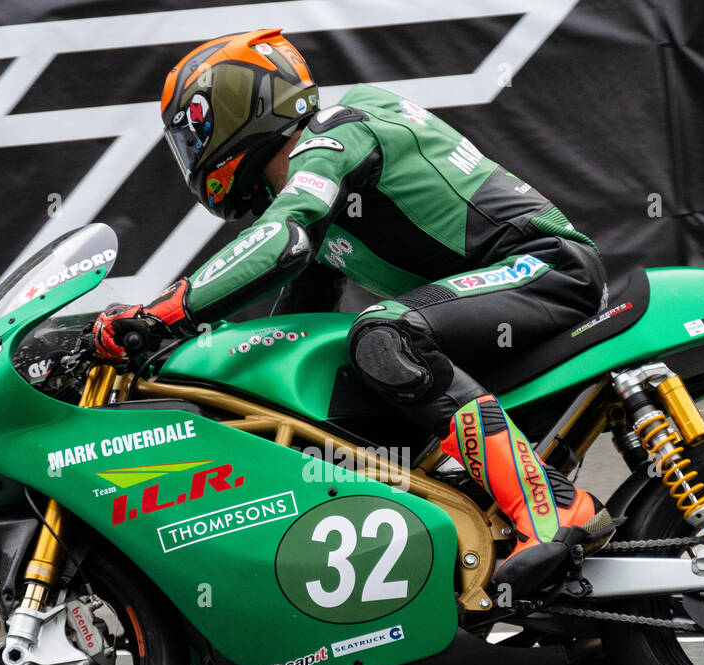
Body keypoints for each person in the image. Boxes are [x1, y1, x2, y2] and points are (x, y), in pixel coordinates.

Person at [91, 28, 616, 596]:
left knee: (385, 334)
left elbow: (282, 241)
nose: (191, 154)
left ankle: (554, 510)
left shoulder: (336, 131)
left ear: (237, 107)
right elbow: (299, 314)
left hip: (547, 267)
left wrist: (165, 312)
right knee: (334, 377)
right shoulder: (309, 185)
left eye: (193, 134)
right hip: (495, 300)